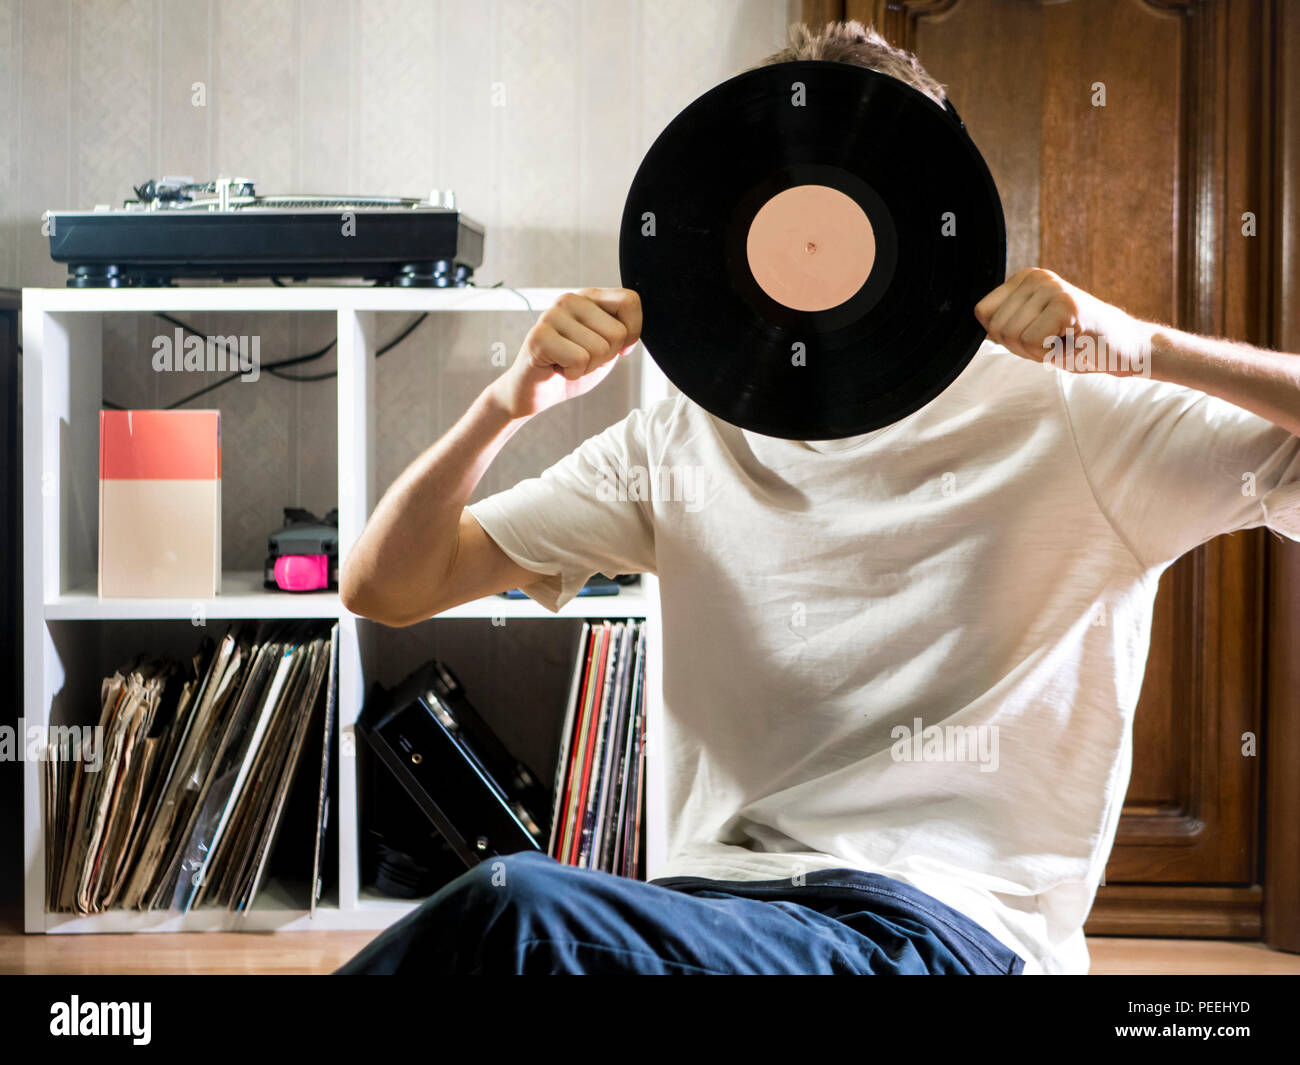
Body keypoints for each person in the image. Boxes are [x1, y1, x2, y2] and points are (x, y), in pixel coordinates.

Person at [336, 21, 1300, 975]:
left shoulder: (1082, 414)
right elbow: (386, 584)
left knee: (518, 915)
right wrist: (508, 404)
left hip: (942, 931)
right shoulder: (683, 437)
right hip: (711, 907)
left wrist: (1155, 351)